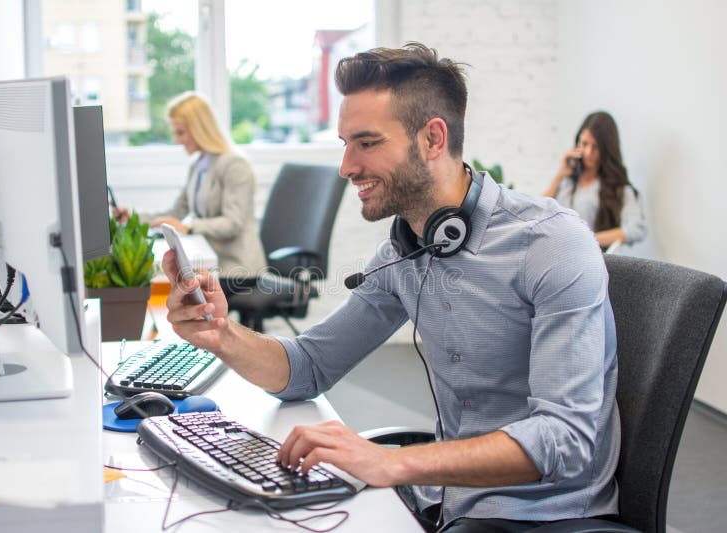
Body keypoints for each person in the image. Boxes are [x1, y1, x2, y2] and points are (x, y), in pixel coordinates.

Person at [161, 43, 620, 532]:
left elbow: (565, 439)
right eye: (344, 143)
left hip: (543, 515)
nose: (346, 167)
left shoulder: (550, 243)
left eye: (367, 142)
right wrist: (220, 334)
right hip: (449, 500)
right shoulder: (408, 252)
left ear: (432, 139)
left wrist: (393, 463)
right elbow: (308, 367)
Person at [113, 91, 266, 295]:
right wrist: (133, 217)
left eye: (181, 132)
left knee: (176, 290)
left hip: (236, 269)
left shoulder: (235, 165)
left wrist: (188, 227)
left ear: (200, 129)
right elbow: (176, 212)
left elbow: (233, 223)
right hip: (211, 260)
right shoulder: (199, 165)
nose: (177, 140)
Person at [543, 111, 647, 249]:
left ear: (606, 149)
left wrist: (588, 238)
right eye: (584, 144)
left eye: (595, 147)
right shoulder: (565, 180)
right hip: (555, 254)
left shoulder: (618, 189)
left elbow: (636, 229)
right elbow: (538, 212)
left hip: (589, 260)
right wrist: (559, 175)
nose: (588, 153)